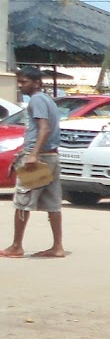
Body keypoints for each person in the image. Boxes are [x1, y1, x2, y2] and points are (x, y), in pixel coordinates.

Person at [4, 66, 65, 258]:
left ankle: (16, 246)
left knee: (22, 202)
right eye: (19, 82)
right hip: (52, 157)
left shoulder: (37, 100)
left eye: (24, 82)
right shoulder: (47, 100)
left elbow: (44, 128)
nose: (20, 86)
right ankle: (57, 247)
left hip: (38, 158)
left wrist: (33, 155)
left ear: (37, 82)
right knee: (53, 204)